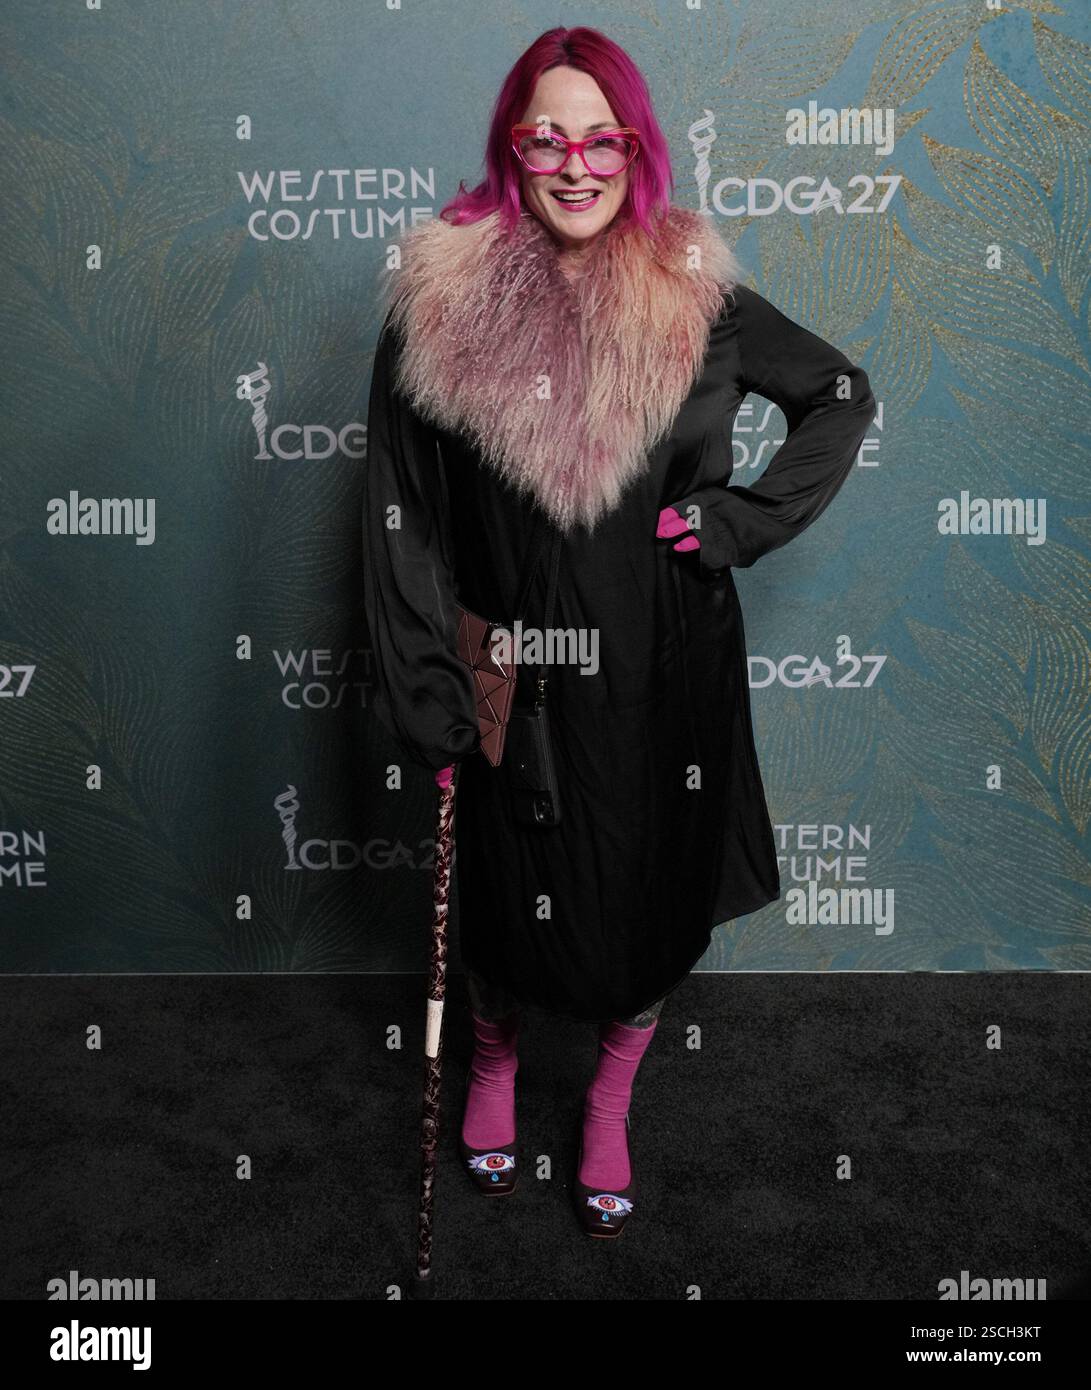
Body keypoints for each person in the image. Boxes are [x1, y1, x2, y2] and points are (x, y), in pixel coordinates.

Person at [362, 26, 877, 1239]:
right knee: (499, 901)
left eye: (602, 138)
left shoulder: (697, 289)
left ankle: (607, 1101)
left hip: (665, 670)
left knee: (644, 905)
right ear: (511, 148)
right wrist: (427, 676)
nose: (574, 162)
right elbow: (400, 518)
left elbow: (837, 394)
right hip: (510, 668)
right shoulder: (436, 300)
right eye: (546, 136)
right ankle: (490, 1068)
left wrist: (741, 522)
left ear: (634, 150)